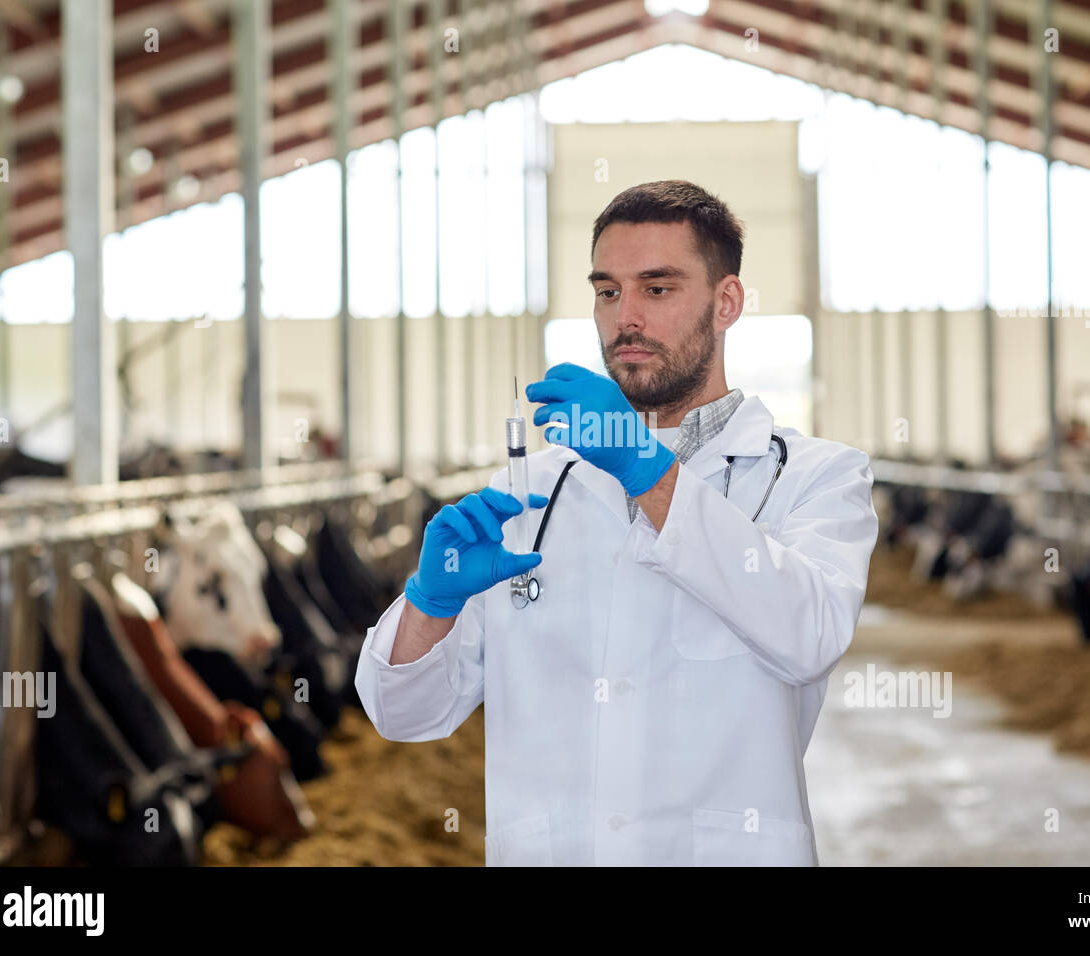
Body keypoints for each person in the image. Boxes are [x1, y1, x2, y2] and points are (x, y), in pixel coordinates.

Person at [355, 180, 879, 866]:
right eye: (607, 291)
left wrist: (645, 470)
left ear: (727, 303)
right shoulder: (531, 492)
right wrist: (432, 604)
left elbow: (809, 635)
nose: (624, 317)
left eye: (656, 289)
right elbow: (405, 717)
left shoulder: (811, 477)